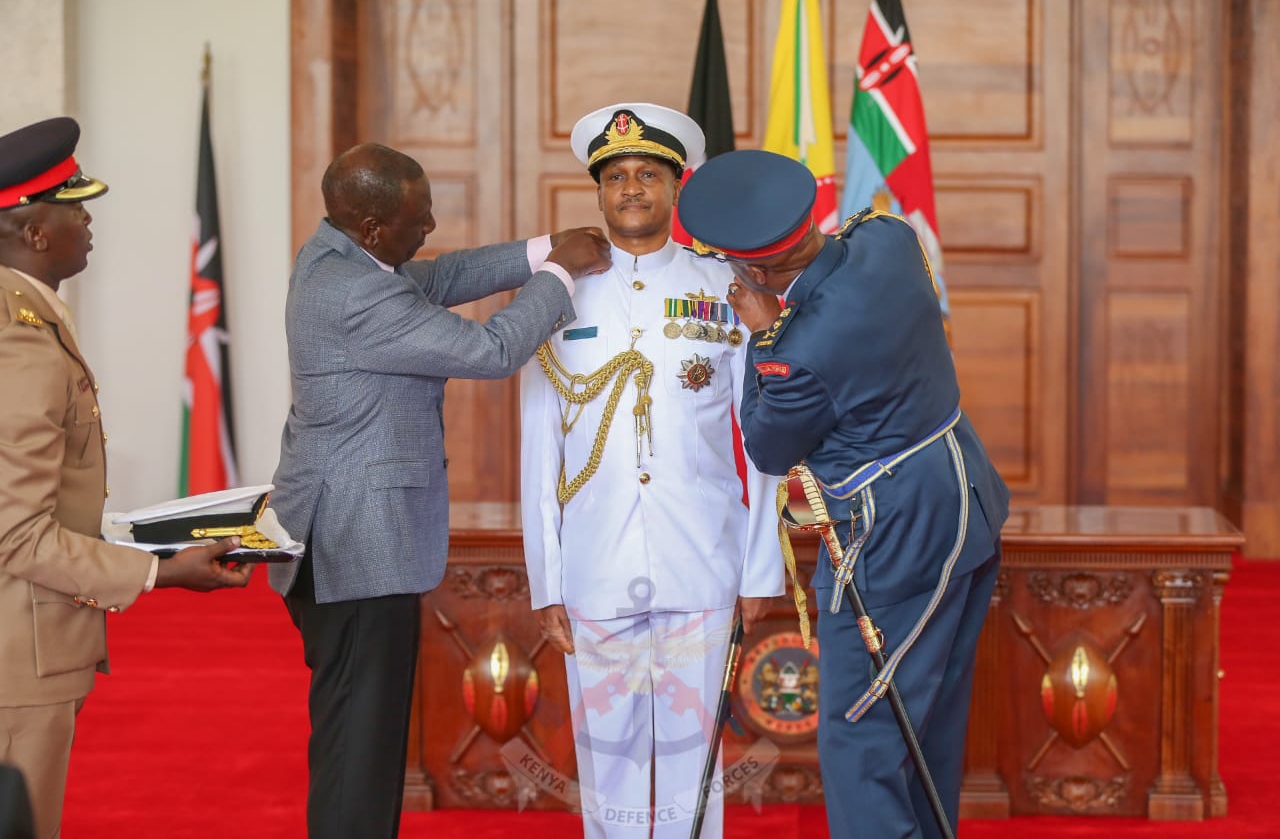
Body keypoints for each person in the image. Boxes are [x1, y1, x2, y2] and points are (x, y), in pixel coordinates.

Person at [268, 140, 611, 838]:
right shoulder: (358, 292)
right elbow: (491, 351)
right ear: (372, 228)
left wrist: (540, 249)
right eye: (418, 219)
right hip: (359, 543)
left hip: (336, 534)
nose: (429, 229)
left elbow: (440, 274)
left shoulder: (334, 254)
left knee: (352, 735)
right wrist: (561, 277)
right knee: (361, 746)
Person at [678, 148, 1011, 839]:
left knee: (861, 734)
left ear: (754, 268)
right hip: (964, 494)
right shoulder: (887, 237)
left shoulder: (797, 348)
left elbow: (769, 445)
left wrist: (763, 329)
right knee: (927, 717)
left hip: (893, 532)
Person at [519, 104, 784, 838]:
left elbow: (758, 436)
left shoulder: (722, 288)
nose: (630, 187)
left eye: (647, 174)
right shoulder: (557, 294)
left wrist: (761, 566)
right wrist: (548, 577)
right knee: (610, 761)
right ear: (599, 194)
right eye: (615, 177)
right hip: (595, 564)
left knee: (696, 758)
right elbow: (539, 450)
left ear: (675, 187)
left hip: (703, 558)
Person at [0, 117, 253, 839]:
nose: (86, 221)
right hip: (19, 660)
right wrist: (160, 572)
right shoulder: (19, 339)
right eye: (73, 207)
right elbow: (16, 533)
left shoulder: (27, 317)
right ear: (33, 231)